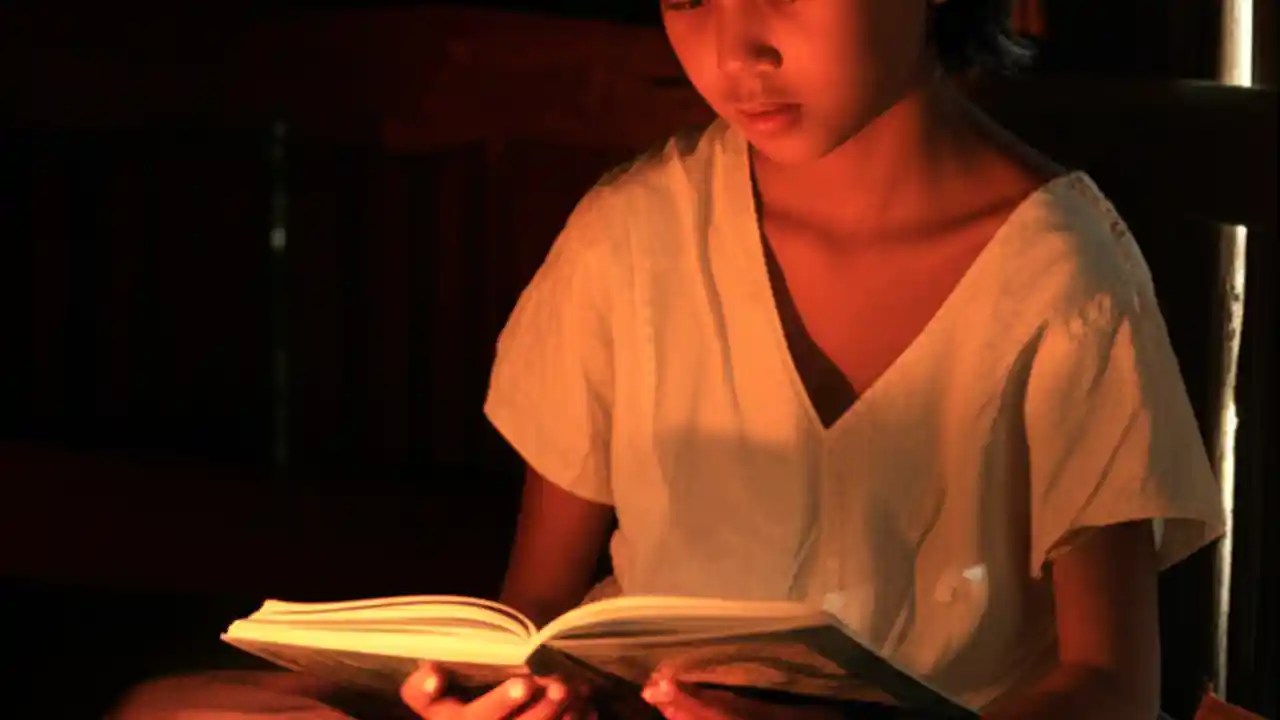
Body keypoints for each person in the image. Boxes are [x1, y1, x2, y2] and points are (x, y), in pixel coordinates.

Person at [111, 0, 1225, 718]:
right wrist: (510, 695)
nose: (734, 52)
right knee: (179, 709)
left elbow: (1109, 685)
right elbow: (534, 610)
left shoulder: (1059, 273)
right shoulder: (631, 234)